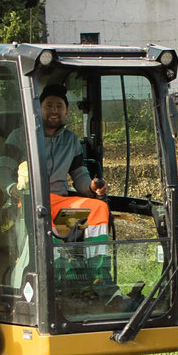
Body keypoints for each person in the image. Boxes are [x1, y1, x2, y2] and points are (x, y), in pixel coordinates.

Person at [32, 85, 110, 241]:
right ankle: (55, 257)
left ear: (66, 111)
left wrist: (91, 187)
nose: (54, 110)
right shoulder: (22, 136)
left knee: (98, 208)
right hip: (29, 202)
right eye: (49, 105)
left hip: (59, 202)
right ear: (38, 108)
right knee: (47, 225)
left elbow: (79, 174)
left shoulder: (71, 140)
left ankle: (95, 262)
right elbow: (3, 171)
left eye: (59, 106)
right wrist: (11, 189)